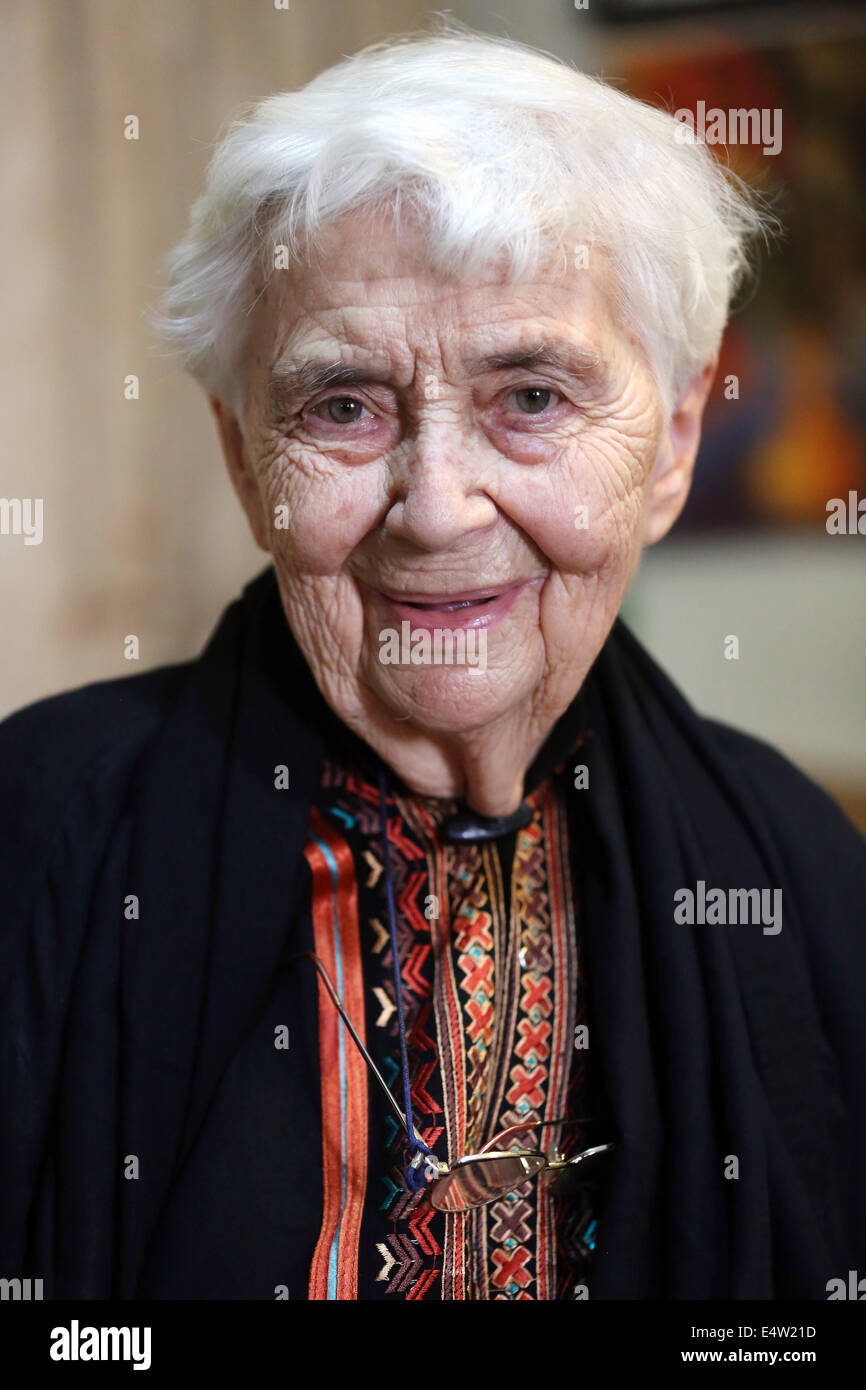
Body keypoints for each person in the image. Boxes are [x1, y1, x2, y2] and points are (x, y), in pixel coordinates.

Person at [1, 25, 864, 1301]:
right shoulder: (36, 831)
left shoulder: (799, 864)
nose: (437, 506)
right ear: (245, 459)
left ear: (673, 444)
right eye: (341, 405)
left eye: (531, 398)